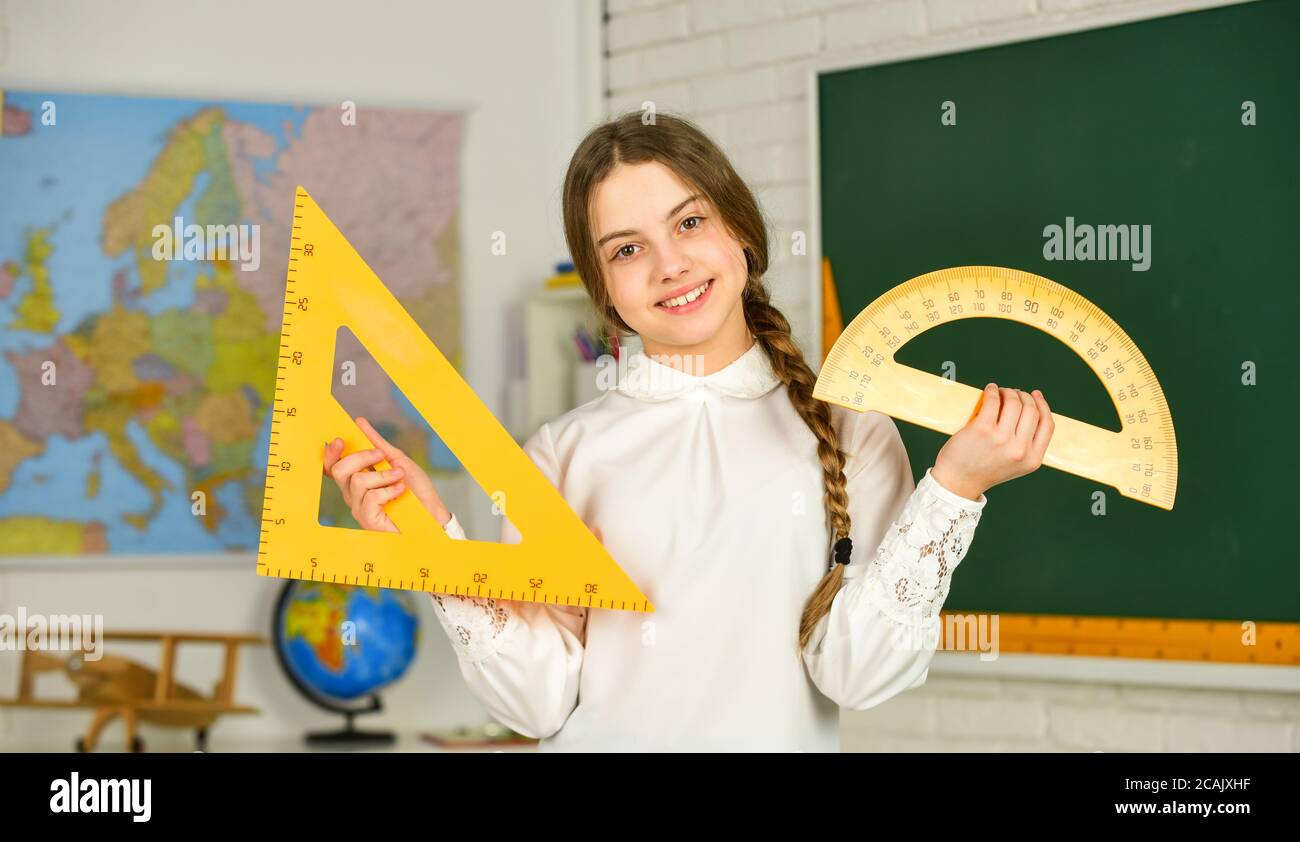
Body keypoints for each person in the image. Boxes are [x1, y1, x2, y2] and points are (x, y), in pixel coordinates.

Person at [321, 111, 1054, 752]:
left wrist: (955, 489)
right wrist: (433, 543)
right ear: (604, 287)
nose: (669, 264)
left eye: (690, 222)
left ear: (740, 233)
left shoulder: (852, 430)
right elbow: (537, 703)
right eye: (627, 248)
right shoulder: (561, 453)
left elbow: (857, 675)